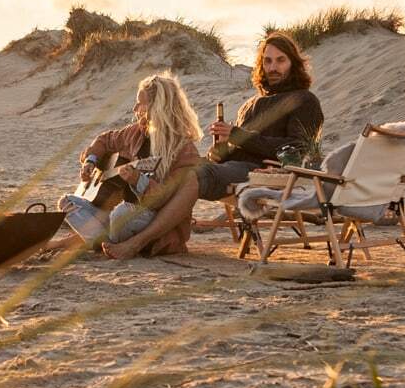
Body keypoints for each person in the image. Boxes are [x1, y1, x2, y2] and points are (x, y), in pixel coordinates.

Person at [62, 71, 204, 259]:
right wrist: (91, 161)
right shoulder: (135, 133)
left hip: (150, 218)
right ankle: (109, 242)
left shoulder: (184, 150)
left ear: (156, 107)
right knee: (67, 202)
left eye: (140, 103)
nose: (135, 108)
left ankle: (102, 240)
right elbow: (105, 140)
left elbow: (164, 202)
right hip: (120, 217)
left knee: (122, 213)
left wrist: (139, 181)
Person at [194, 31, 324, 205]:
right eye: (267, 61)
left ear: (293, 63)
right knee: (175, 172)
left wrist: (238, 135)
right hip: (236, 169)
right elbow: (242, 151)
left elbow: (296, 149)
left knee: (195, 176)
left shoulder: (303, 100)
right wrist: (222, 150)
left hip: (268, 175)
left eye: (281, 60)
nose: (272, 68)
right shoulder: (249, 104)